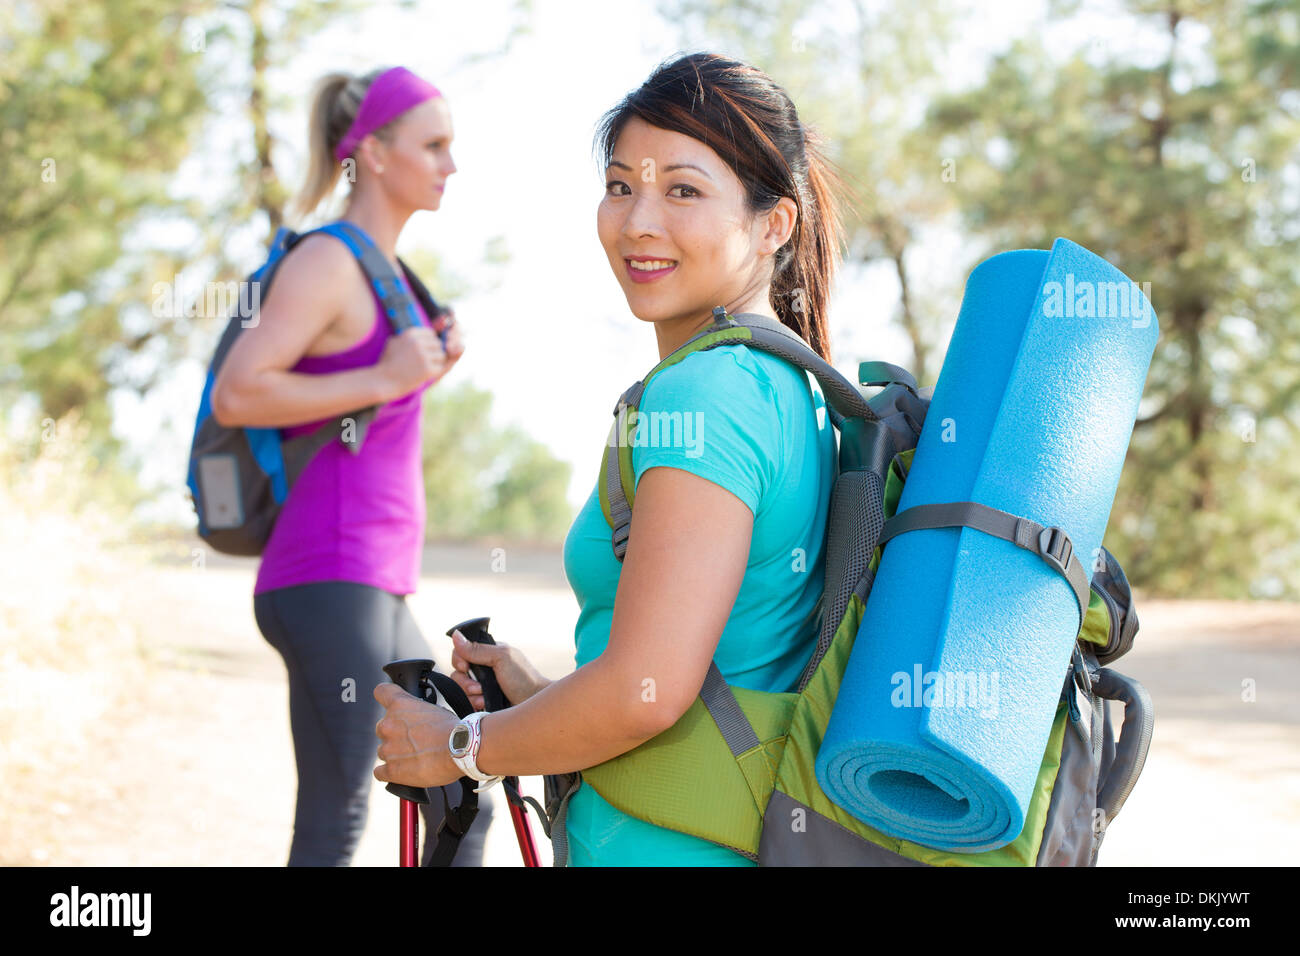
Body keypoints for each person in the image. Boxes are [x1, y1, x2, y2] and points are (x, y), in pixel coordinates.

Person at [373, 51, 846, 865]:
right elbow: (715, 674)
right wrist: (540, 702)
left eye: (684, 191)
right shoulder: (792, 387)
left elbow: (642, 694)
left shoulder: (708, 394)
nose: (638, 222)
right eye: (622, 184)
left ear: (775, 224)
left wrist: (460, 747)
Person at [212, 65, 494, 866]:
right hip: (328, 569)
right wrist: (384, 376)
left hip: (364, 578)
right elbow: (239, 391)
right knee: (378, 810)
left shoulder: (393, 276)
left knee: (449, 801)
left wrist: (422, 366)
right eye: (433, 145)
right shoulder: (329, 261)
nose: (450, 164)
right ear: (371, 152)